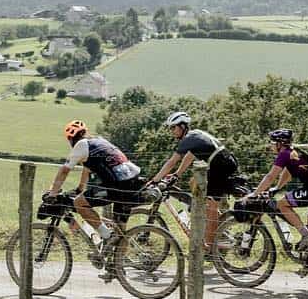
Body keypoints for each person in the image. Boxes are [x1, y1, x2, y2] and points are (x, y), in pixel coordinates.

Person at [45, 119, 145, 260]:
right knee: (120, 232)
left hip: (118, 185)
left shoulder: (80, 145)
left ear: (70, 139)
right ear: (85, 132)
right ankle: (117, 267)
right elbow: (87, 168)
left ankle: (106, 236)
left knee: (79, 203)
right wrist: (80, 188)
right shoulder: (99, 140)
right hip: (133, 181)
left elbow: (64, 171)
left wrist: (53, 193)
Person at [149, 111, 245, 251]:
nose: (171, 131)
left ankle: (209, 246)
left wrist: (155, 180)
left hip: (220, 167)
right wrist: (177, 174)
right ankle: (205, 215)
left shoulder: (188, 139)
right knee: (193, 181)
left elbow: (172, 161)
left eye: (173, 127)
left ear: (182, 126)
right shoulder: (195, 135)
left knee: (212, 205)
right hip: (223, 163)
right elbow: (189, 156)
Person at [246, 128, 308, 252]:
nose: (271, 146)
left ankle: (305, 234)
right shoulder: (295, 153)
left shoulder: (284, 154)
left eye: (272, 143)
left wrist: (255, 194)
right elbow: (288, 173)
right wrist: (276, 188)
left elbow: (271, 176)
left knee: (282, 204)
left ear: (280, 143)